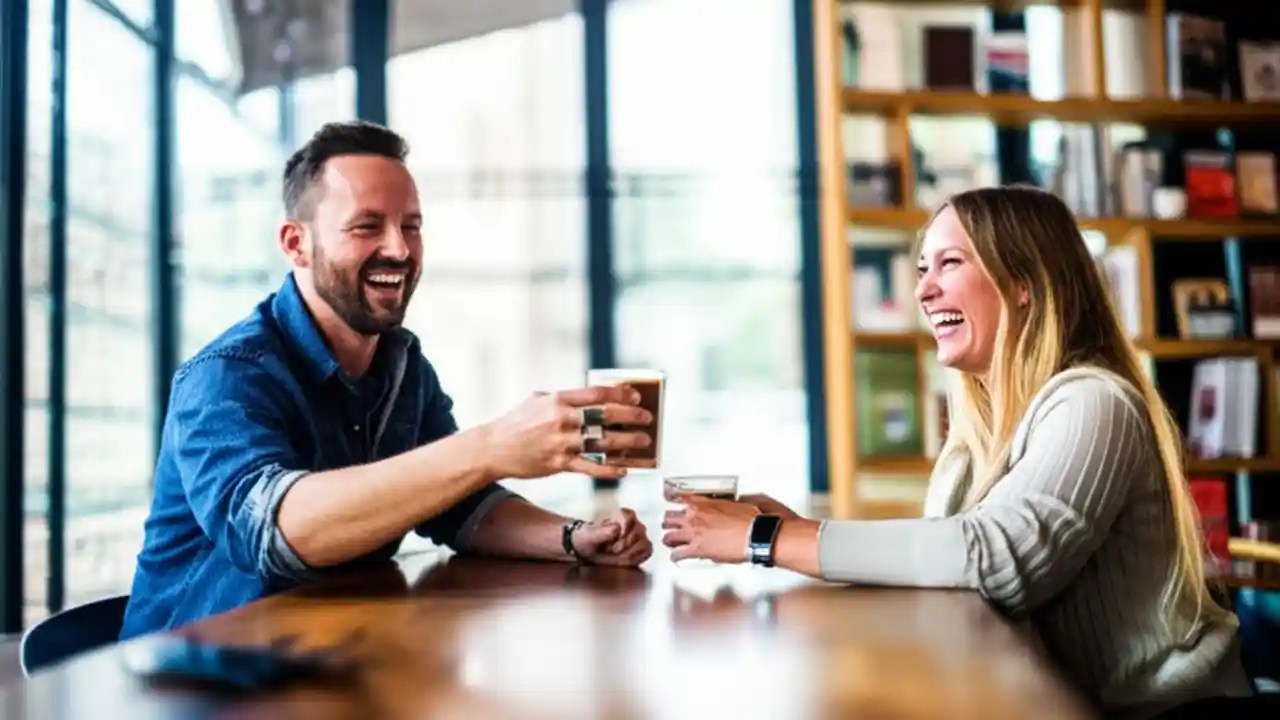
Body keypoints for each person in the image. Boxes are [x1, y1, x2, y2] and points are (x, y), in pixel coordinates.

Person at [662, 186, 1256, 717]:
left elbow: (999, 562)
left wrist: (767, 539)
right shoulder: (975, 440)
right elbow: (947, 572)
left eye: (949, 263)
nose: (923, 289)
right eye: (924, 267)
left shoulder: (1094, 402)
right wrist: (792, 531)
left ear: (1025, 284)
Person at [120, 120, 653, 639]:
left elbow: (460, 506)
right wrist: (492, 445)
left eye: (412, 226)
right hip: (194, 688)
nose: (399, 249)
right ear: (296, 243)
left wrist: (574, 537)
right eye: (366, 226)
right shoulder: (225, 376)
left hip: (329, 662)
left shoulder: (403, 364)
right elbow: (278, 533)